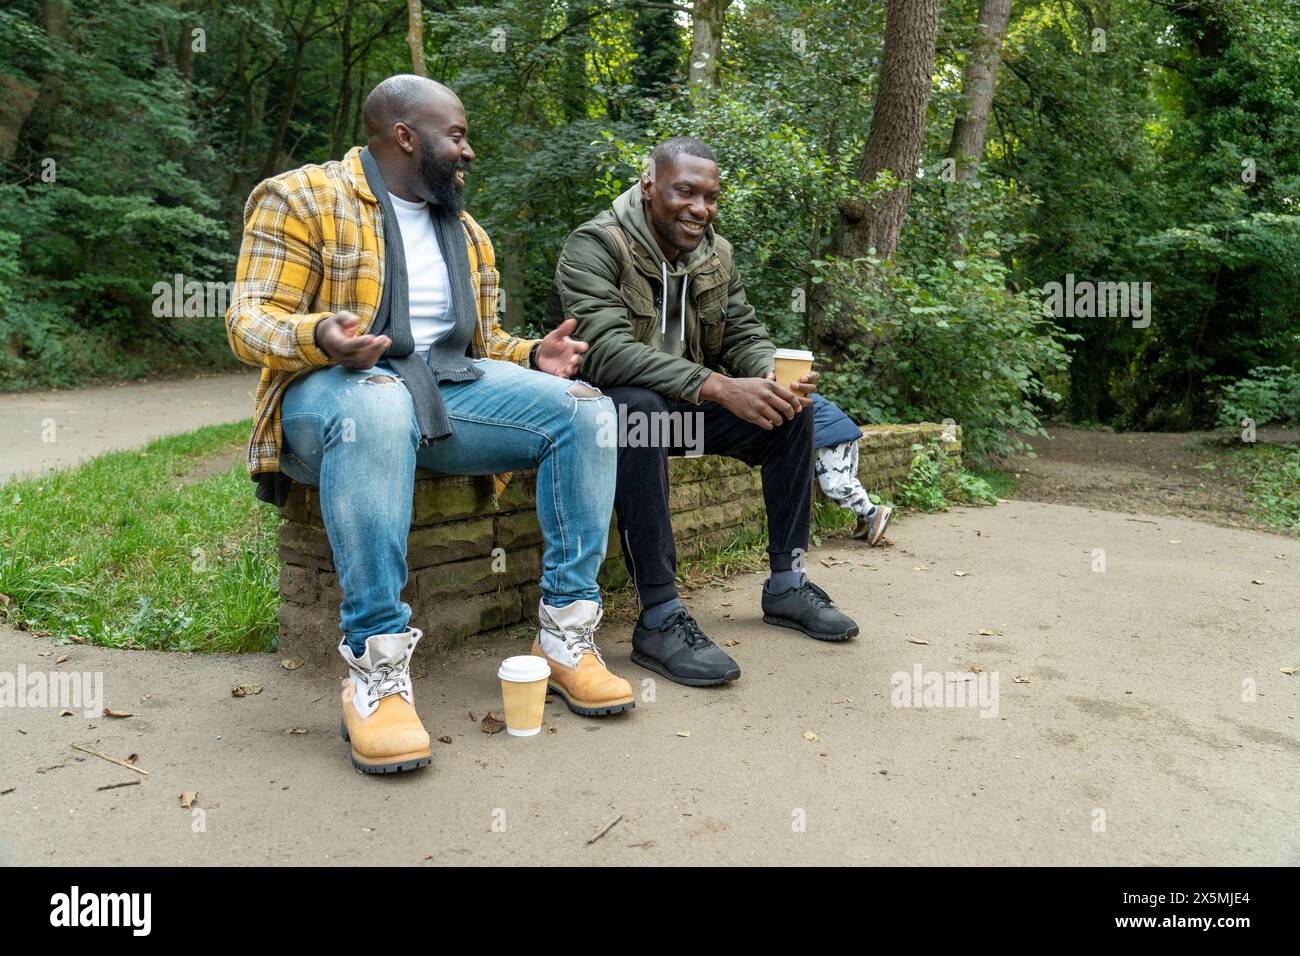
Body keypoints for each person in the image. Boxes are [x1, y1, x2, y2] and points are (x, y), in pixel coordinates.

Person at [226, 75, 633, 776]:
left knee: (586, 410)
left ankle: (566, 637)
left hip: (441, 395)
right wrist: (321, 334)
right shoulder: (301, 197)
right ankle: (376, 674)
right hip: (329, 399)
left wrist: (534, 355)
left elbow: (476, 343)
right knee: (379, 398)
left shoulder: (464, 230)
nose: (469, 150)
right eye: (458, 135)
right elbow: (248, 319)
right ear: (406, 136)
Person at [550, 136, 860, 689]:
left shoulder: (715, 253)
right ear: (649, 185)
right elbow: (607, 352)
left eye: (710, 197)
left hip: (689, 409)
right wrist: (716, 385)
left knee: (793, 411)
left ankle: (787, 583)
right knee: (637, 409)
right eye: (685, 192)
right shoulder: (594, 245)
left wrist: (768, 373)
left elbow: (742, 332)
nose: (700, 209)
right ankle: (661, 616)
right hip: (617, 419)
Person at [811, 393, 893, 545]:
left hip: (829, 435)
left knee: (834, 485)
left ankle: (873, 513)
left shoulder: (773, 390)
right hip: (843, 427)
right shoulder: (793, 385)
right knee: (847, 479)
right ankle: (866, 520)